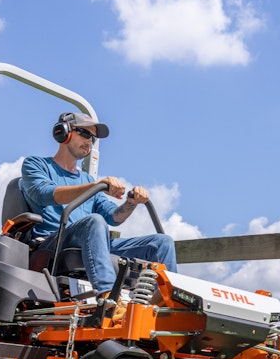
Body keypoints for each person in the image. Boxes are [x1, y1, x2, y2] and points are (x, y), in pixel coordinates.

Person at [20, 111, 176, 297]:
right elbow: (44, 194)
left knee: (162, 243)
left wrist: (131, 203)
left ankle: (169, 305)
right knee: (93, 222)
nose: (89, 141)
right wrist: (95, 186)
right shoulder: (36, 165)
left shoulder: (88, 180)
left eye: (93, 138)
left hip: (92, 239)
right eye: (85, 134)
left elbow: (113, 217)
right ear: (63, 132)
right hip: (54, 241)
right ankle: (108, 298)